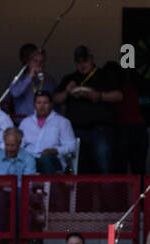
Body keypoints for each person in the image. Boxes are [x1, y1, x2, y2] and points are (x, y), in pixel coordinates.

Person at [52, 46, 123, 175]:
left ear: (91, 59)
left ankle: (106, 195)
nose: (82, 65)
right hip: (75, 131)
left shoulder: (104, 75)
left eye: (85, 61)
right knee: (78, 169)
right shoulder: (70, 78)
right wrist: (67, 92)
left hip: (101, 130)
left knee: (104, 167)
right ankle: (81, 195)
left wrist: (99, 96)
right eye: (78, 62)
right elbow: (55, 99)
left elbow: (119, 95)